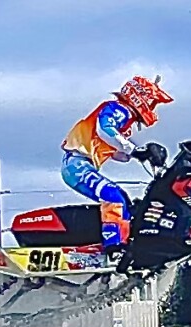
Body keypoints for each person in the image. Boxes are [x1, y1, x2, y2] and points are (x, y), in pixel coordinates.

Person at [61, 75, 172, 249]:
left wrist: (138, 153)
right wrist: (134, 150)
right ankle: (113, 246)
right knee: (112, 196)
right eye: (152, 103)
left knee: (124, 200)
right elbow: (104, 130)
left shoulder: (123, 122)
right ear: (141, 97)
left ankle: (123, 242)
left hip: (80, 164)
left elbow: (119, 154)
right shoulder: (119, 110)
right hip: (77, 164)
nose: (152, 108)